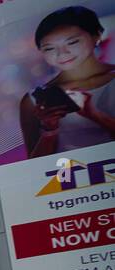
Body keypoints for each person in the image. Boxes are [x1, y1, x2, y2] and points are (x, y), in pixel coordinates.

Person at [20, 6, 115, 159]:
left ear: (96, 35)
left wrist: (95, 115)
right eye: (49, 48)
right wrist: (49, 130)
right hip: (69, 179)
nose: (61, 54)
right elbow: (33, 163)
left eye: (72, 42)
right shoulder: (33, 100)